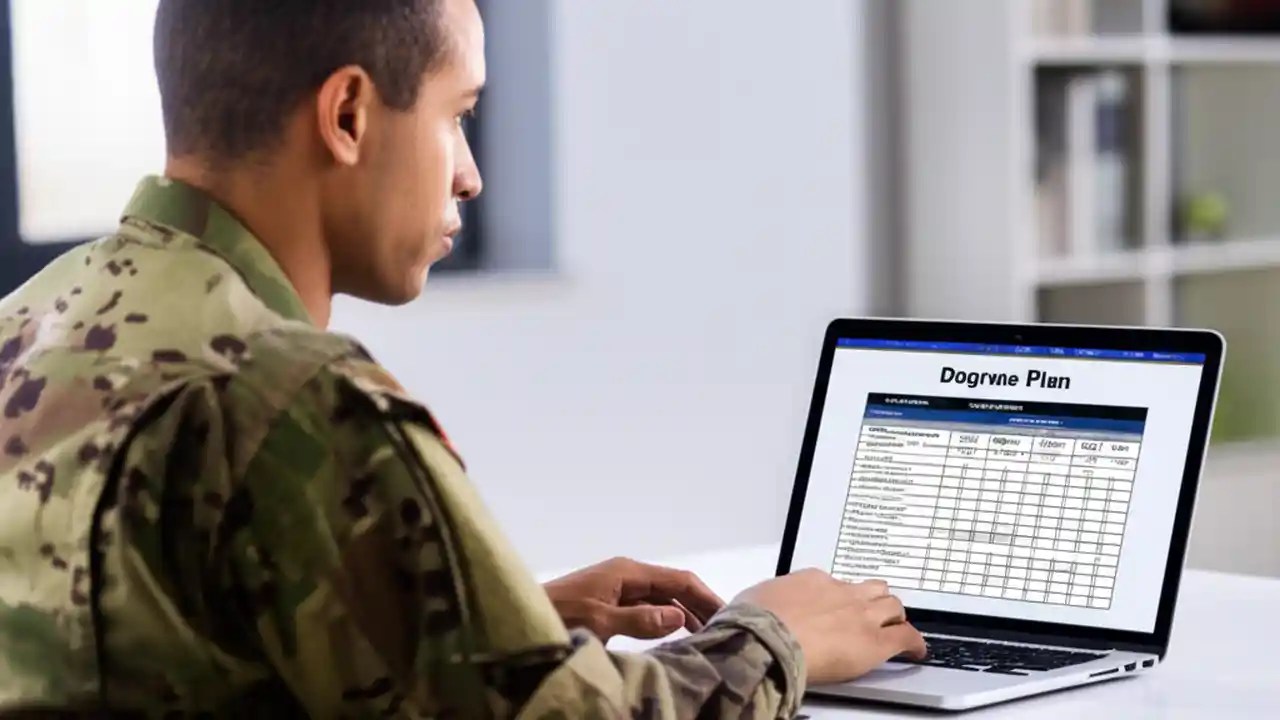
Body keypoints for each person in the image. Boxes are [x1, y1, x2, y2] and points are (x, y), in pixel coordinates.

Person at [0, 0, 926, 716]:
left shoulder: (28, 322)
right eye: (459, 114)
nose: (471, 174)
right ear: (349, 115)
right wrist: (776, 635)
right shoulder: (296, 402)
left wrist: (489, 622)